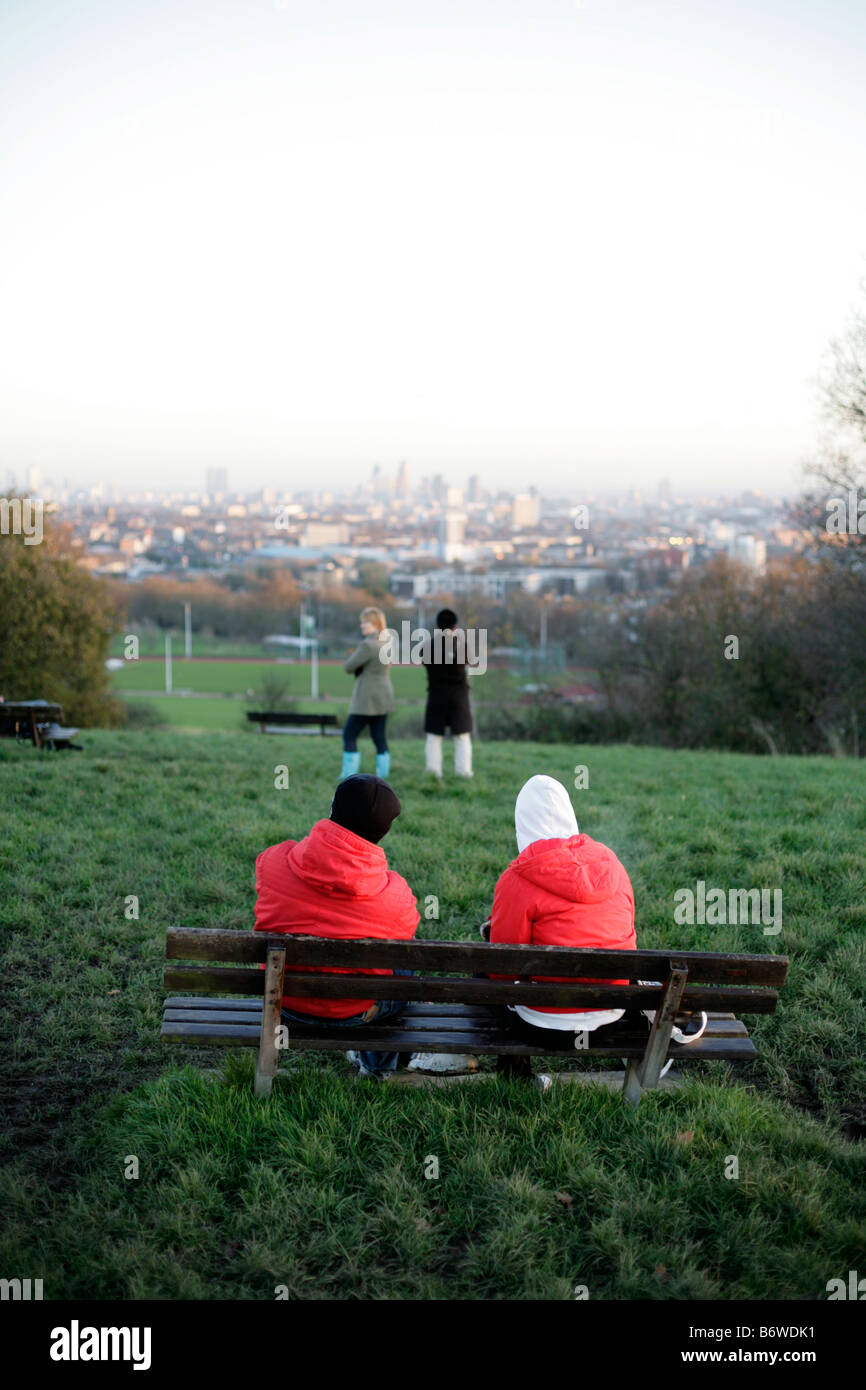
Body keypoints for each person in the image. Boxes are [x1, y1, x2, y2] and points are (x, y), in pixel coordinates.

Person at [254, 774, 419, 1081]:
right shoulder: (397, 897)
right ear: (385, 830)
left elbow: (270, 860)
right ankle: (376, 1068)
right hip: (356, 1012)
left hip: (284, 1002)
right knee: (402, 965)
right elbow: (407, 933)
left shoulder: (274, 862)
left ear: (332, 810)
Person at [488, 774, 636, 1072]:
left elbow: (501, 970)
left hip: (541, 1025)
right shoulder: (613, 867)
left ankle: (514, 1076)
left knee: (483, 976)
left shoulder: (516, 878)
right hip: (610, 1020)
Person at [341, 606, 395, 781]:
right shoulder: (388, 643)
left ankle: (349, 775)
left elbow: (348, 667)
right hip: (384, 695)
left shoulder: (367, 645)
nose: (362, 626)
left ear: (376, 624)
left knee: (349, 733)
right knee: (379, 735)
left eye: (366, 622)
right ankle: (384, 774)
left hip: (366, 698)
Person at [422, 608, 473, 779]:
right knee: (462, 737)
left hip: (436, 696)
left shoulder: (428, 646)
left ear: (437, 626)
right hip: (459, 697)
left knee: (434, 737)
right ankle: (464, 773)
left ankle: (433, 773)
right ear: (455, 626)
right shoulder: (462, 645)